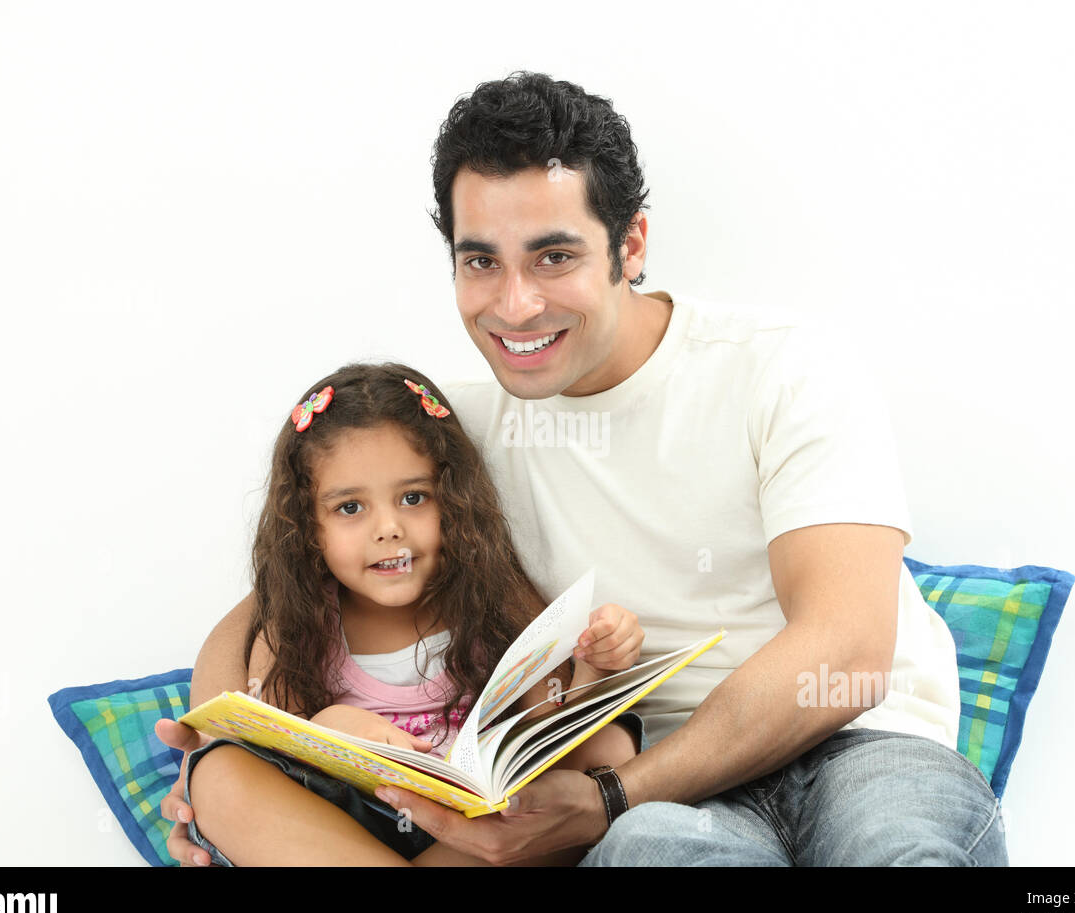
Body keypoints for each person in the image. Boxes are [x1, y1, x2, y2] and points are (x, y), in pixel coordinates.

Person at [159, 72, 1006, 866]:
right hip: (658, 791)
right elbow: (281, 584)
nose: (515, 305)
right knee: (651, 855)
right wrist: (217, 760)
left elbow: (848, 654)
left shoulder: (783, 367)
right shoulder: (452, 431)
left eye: (554, 257)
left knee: (897, 854)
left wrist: (607, 797)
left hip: (858, 745)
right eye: (481, 259)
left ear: (630, 244)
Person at [165, 361, 642, 866]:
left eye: (413, 498)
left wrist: (596, 664)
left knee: (609, 749)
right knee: (219, 773)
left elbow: (551, 727)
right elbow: (275, 750)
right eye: (350, 508)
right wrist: (337, 727)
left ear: (454, 501)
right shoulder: (296, 623)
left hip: (475, 834)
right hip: (348, 832)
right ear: (307, 526)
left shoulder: (492, 595)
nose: (388, 528)